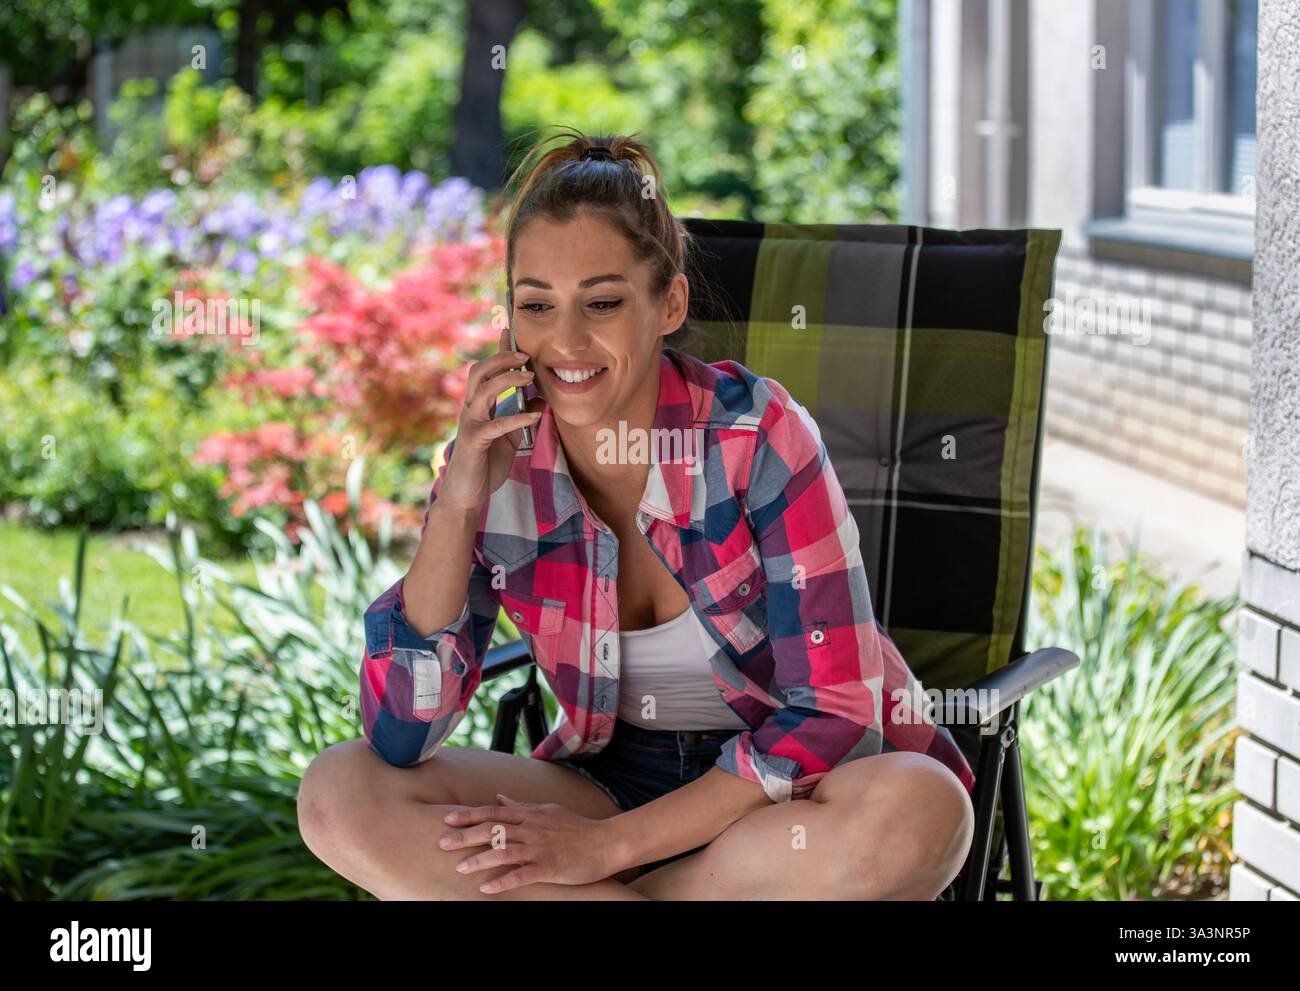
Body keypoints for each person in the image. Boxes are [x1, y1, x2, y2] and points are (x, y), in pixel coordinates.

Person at [297, 128, 975, 901]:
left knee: (923, 808)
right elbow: (398, 734)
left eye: (604, 302)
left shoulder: (755, 438)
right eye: (536, 305)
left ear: (669, 303)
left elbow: (836, 714)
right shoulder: (497, 462)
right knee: (340, 791)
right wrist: (458, 507)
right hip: (609, 781)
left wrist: (604, 852)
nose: (567, 340)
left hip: (784, 806)